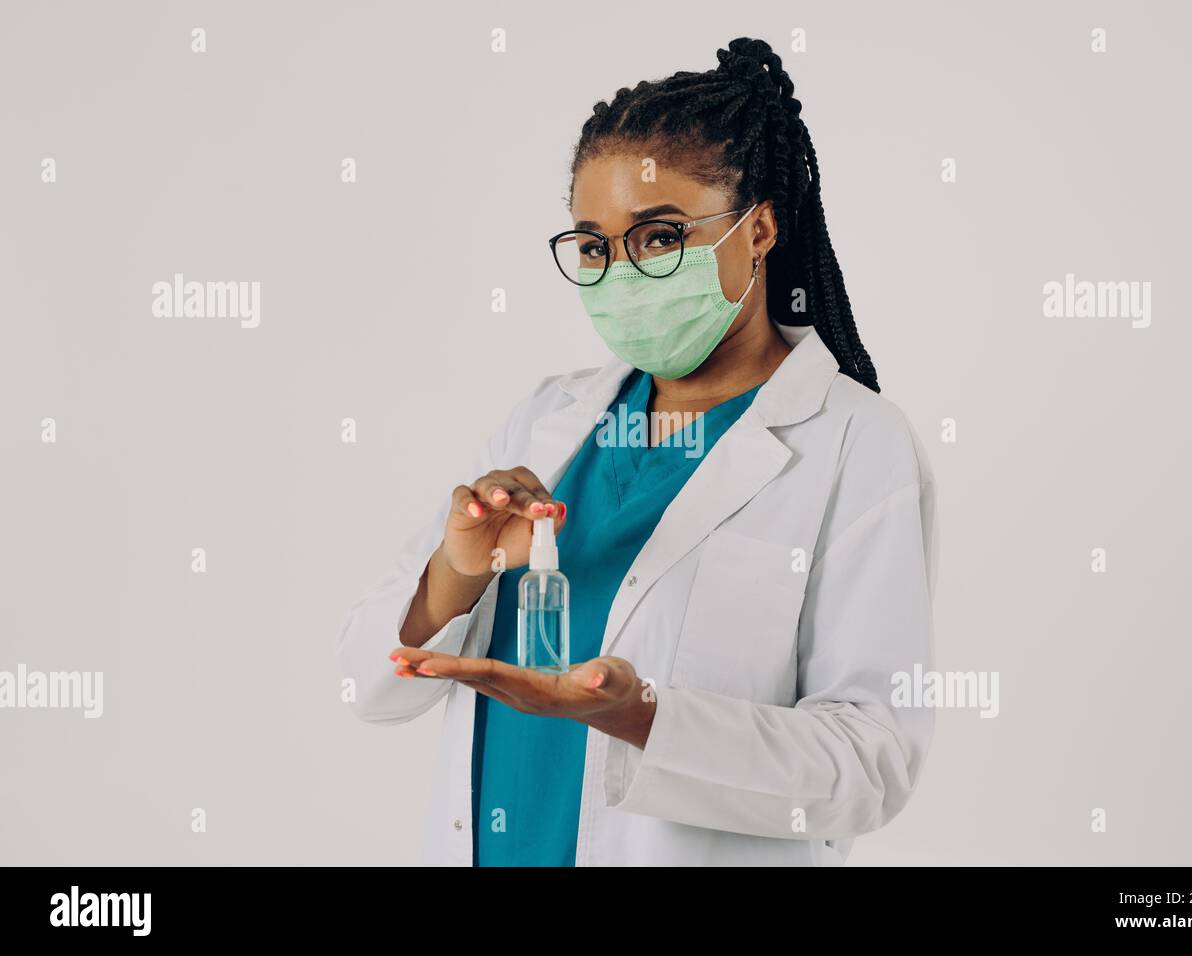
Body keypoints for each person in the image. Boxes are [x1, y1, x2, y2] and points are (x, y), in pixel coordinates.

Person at [337, 36, 939, 866]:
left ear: (759, 228)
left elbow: (870, 765)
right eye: (594, 246)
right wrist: (456, 569)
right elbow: (368, 686)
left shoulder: (855, 443)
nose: (621, 273)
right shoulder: (548, 422)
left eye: (658, 237)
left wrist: (643, 716)